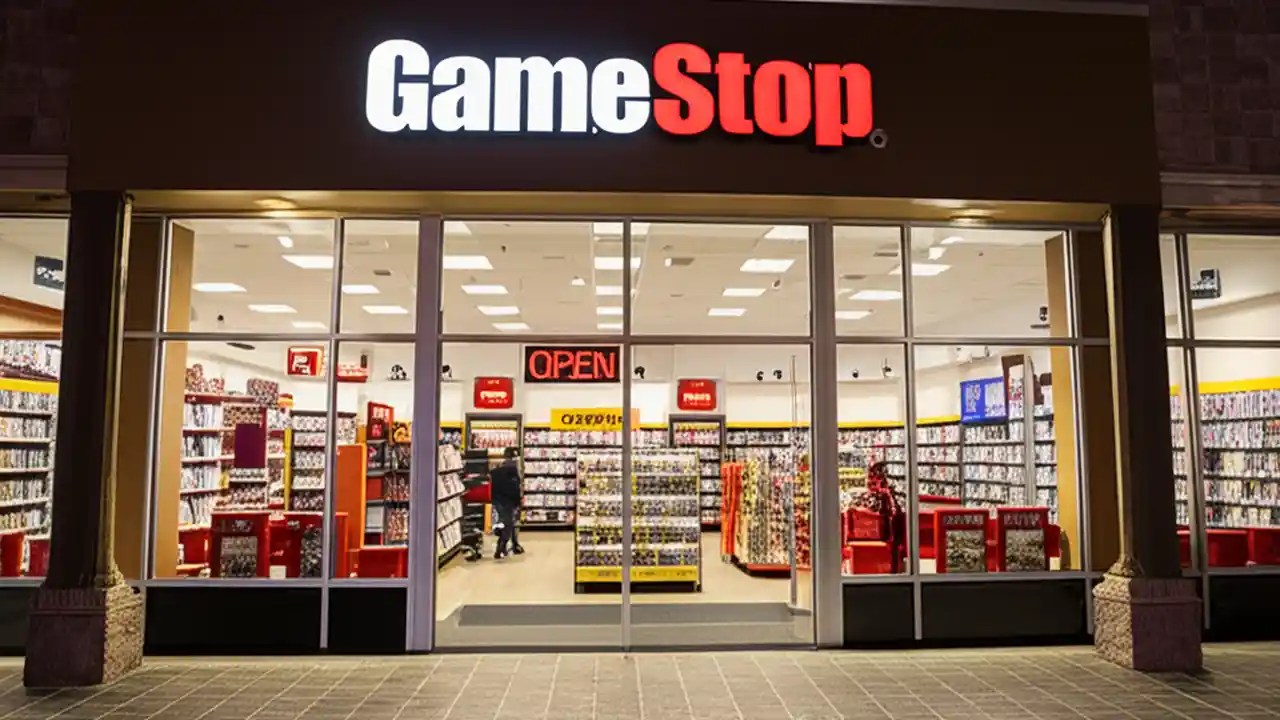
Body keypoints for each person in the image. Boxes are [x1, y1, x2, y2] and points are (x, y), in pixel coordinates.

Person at [488, 446, 525, 559]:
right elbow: (514, 489)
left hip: (498, 500)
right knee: (509, 524)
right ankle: (500, 548)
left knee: (507, 522)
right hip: (508, 501)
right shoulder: (513, 471)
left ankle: (511, 545)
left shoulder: (496, 471)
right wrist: (518, 501)